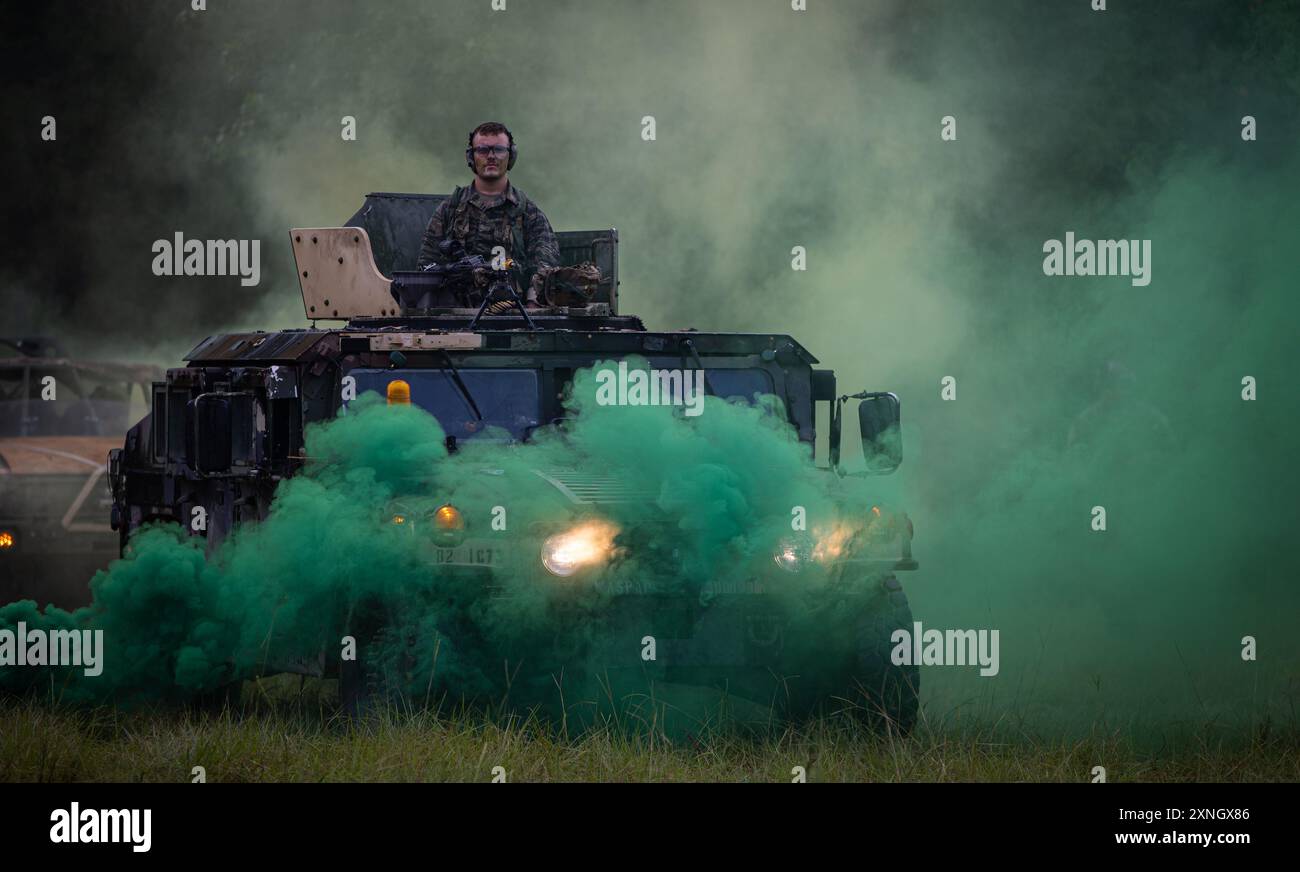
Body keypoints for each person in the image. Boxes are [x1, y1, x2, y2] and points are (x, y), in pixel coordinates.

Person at [416, 122, 560, 304]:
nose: (491, 156)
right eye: (483, 150)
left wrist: (532, 306)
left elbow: (546, 265)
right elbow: (425, 265)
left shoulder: (527, 212)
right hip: (456, 316)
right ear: (471, 156)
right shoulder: (450, 209)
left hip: (513, 317)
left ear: (511, 156)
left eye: (499, 150)